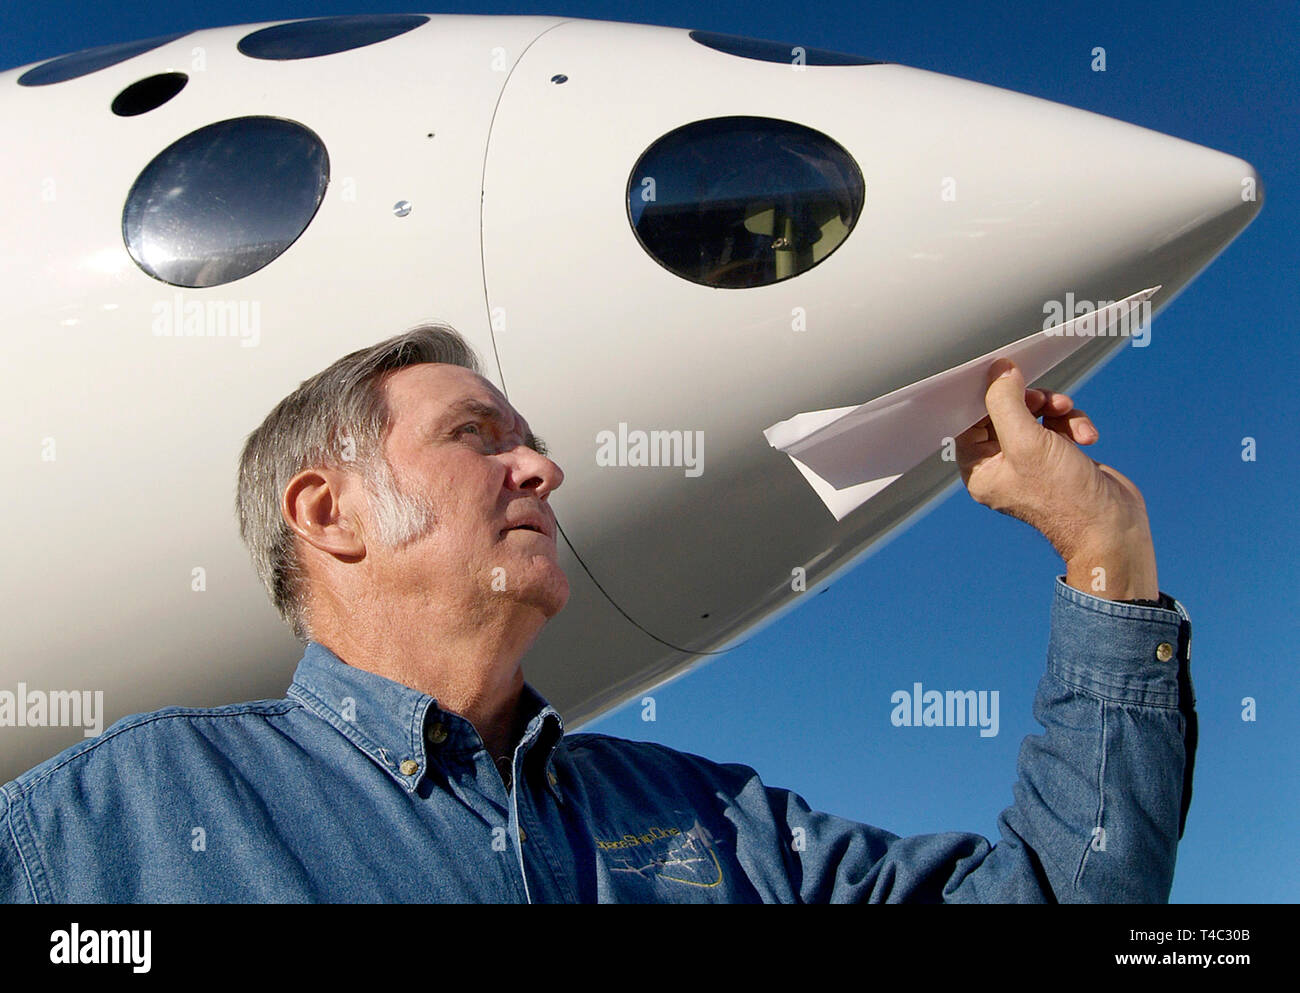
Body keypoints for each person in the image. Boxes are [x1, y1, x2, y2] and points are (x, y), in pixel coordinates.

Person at [0, 324, 1195, 902]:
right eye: (479, 439)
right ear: (329, 512)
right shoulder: (119, 821)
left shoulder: (717, 826)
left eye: (534, 443)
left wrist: (1103, 552)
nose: (544, 472)